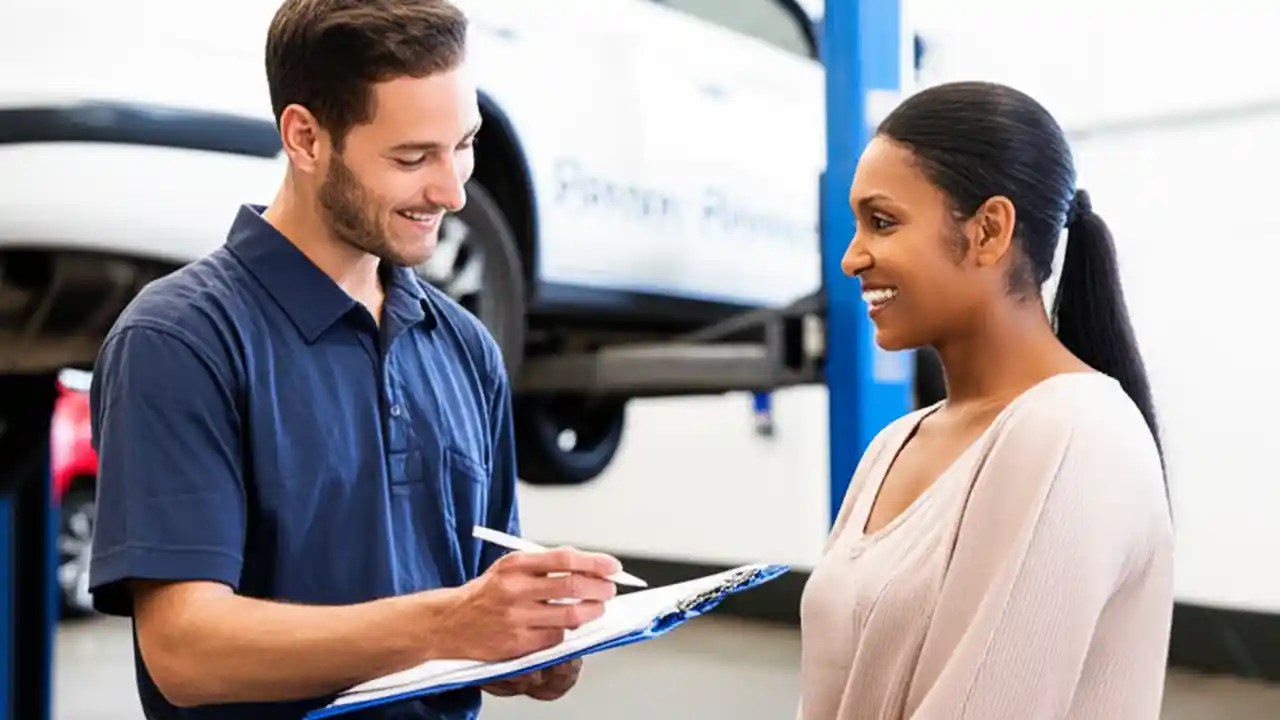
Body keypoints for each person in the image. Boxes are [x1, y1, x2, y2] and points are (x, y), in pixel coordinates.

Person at [86, 1, 621, 718]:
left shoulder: (465, 350)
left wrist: (527, 644)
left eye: (463, 144)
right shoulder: (180, 341)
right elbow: (186, 652)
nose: (453, 190)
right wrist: (448, 624)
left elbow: (467, 614)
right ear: (306, 137)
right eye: (411, 158)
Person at [797, 81, 1175, 719]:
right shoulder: (896, 443)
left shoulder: (1075, 432)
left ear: (988, 231)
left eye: (882, 222)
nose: (851, 257)